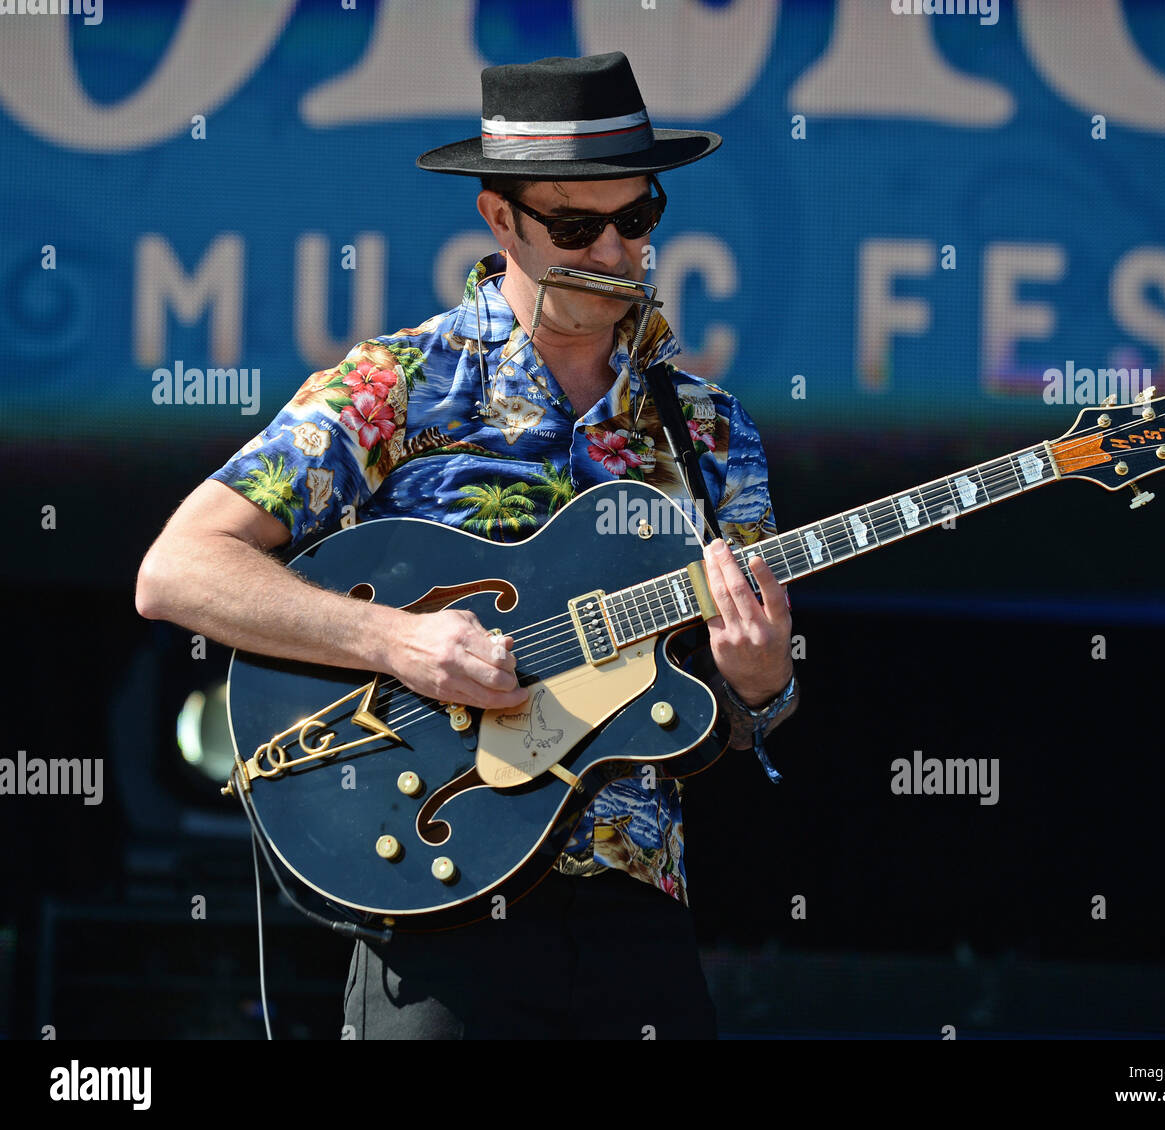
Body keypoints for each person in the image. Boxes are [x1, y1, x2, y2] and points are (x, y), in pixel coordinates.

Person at [136, 51, 798, 1040]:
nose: (616, 250)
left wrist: (760, 684)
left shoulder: (705, 429)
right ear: (502, 219)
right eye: (578, 227)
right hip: (435, 899)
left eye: (638, 217)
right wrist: (397, 644)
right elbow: (178, 567)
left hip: (636, 914)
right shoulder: (395, 386)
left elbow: (730, 720)